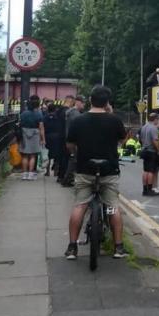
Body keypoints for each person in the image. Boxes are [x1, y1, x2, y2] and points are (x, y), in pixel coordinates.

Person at [64, 85, 128, 260]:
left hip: (85, 169)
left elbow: (70, 145)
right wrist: (111, 113)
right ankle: (118, 247)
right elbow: (123, 140)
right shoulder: (114, 120)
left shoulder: (79, 120)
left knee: (80, 206)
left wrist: (76, 152)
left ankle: (72, 248)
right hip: (109, 170)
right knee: (112, 207)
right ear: (107, 102)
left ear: (90, 100)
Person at [19, 95, 45, 180]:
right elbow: (41, 127)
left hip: (24, 134)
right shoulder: (38, 114)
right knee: (33, 156)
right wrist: (43, 139)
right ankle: (30, 174)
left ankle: (24, 174)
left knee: (25, 156)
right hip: (35, 135)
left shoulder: (23, 114)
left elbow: (20, 124)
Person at [61, 96, 84, 187]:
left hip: (69, 139)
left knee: (72, 159)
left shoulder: (70, 112)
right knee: (74, 160)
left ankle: (68, 179)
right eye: (83, 103)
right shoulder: (75, 114)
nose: (84, 105)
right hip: (74, 141)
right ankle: (67, 180)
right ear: (78, 102)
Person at [140, 113, 159, 196]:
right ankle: (150, 190)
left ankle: (144, 189)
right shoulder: (153, 128)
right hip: (151, 151)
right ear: (155, 119)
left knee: (145, 171)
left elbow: (141, 139)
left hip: (144, 150)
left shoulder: (143, 127)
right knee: (151, 171)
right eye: (157, 119)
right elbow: (155, 141)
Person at [43, 103, 64, 177]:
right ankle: (55, 172)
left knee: (48, 155)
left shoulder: (45, 117)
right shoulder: (58, 117)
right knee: (57, 155)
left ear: (48, 109)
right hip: (57, 137)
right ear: (55, 109)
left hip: (47, 137)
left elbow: (43, 128)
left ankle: (47, 171)